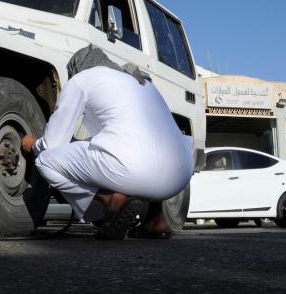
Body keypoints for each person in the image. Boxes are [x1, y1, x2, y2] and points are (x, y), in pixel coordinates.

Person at [21, 45, 193, 240]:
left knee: (45, 160)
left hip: (136, 168)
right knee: (147, 148)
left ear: (77, 68)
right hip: (180, 174)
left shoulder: (81, 79)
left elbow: (52, 144)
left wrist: (33, 144)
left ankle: (109, 198)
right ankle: (156, 220)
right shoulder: (139, 81)